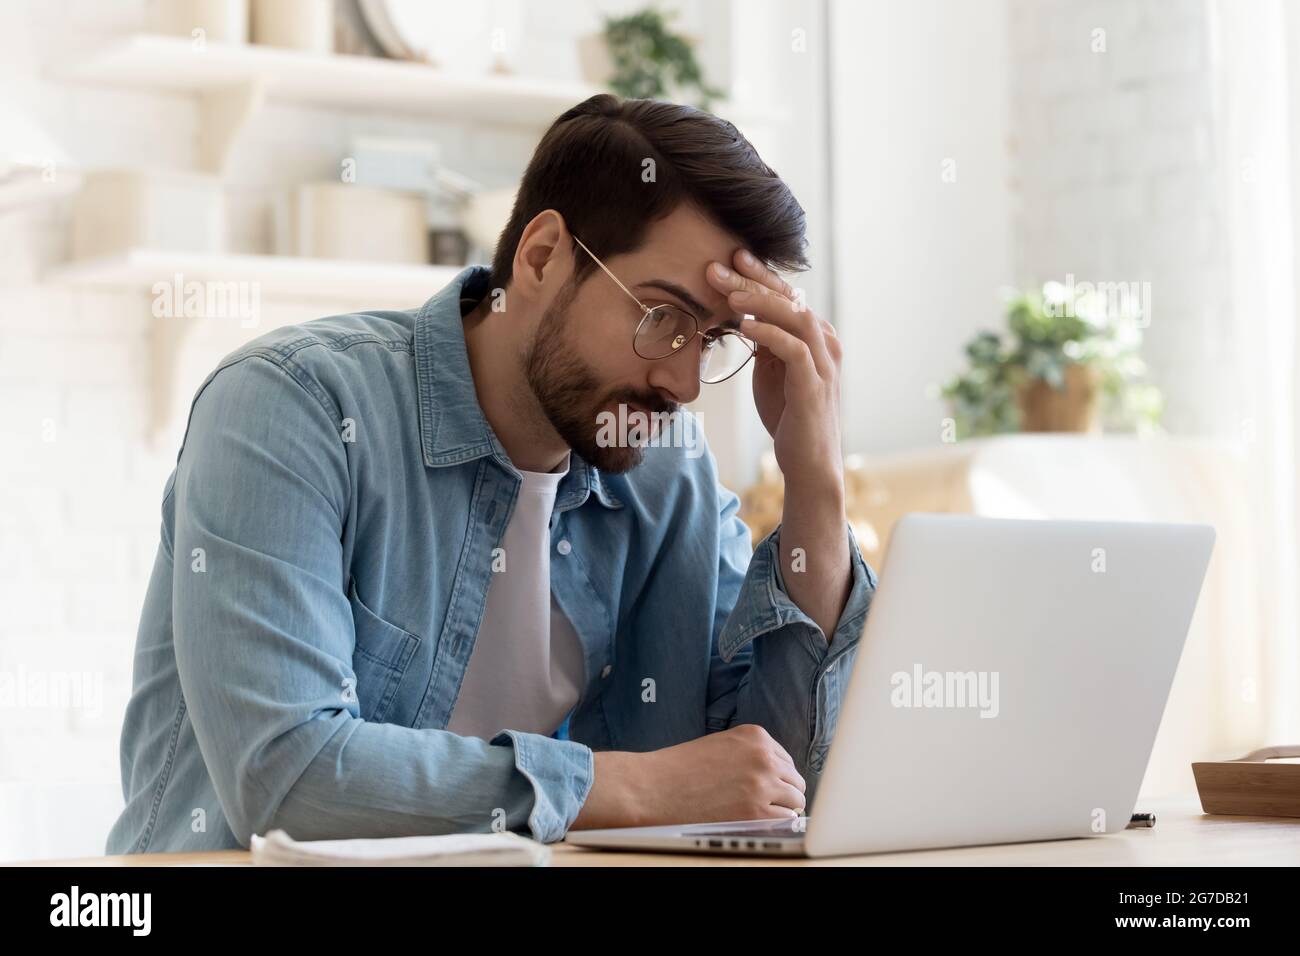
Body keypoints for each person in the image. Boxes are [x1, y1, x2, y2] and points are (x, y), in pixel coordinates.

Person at [107, 94, 877, 854]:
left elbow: (770, 784)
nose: (681, 384)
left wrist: (813, 482)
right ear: (542, 256)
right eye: (660, 319)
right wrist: (633, 789)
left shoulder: (665, 474)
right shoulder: (292, 408)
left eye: (708, 340)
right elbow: (286, 778)